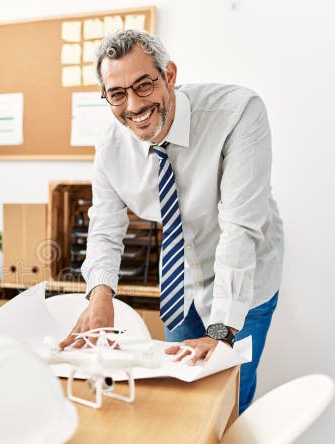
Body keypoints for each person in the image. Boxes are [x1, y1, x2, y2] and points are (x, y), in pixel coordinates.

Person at [59, 29, 284, 413]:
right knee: (177, 398)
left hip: (244, 278)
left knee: (228, 403)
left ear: (170, 75)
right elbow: (105, 230)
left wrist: (220, 331)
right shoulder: (111, 148)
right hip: (180, 283)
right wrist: (100, 297)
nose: (133, 105)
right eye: (116, 94)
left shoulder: (239, 112)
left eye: (144, 85)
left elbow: (240, 227)